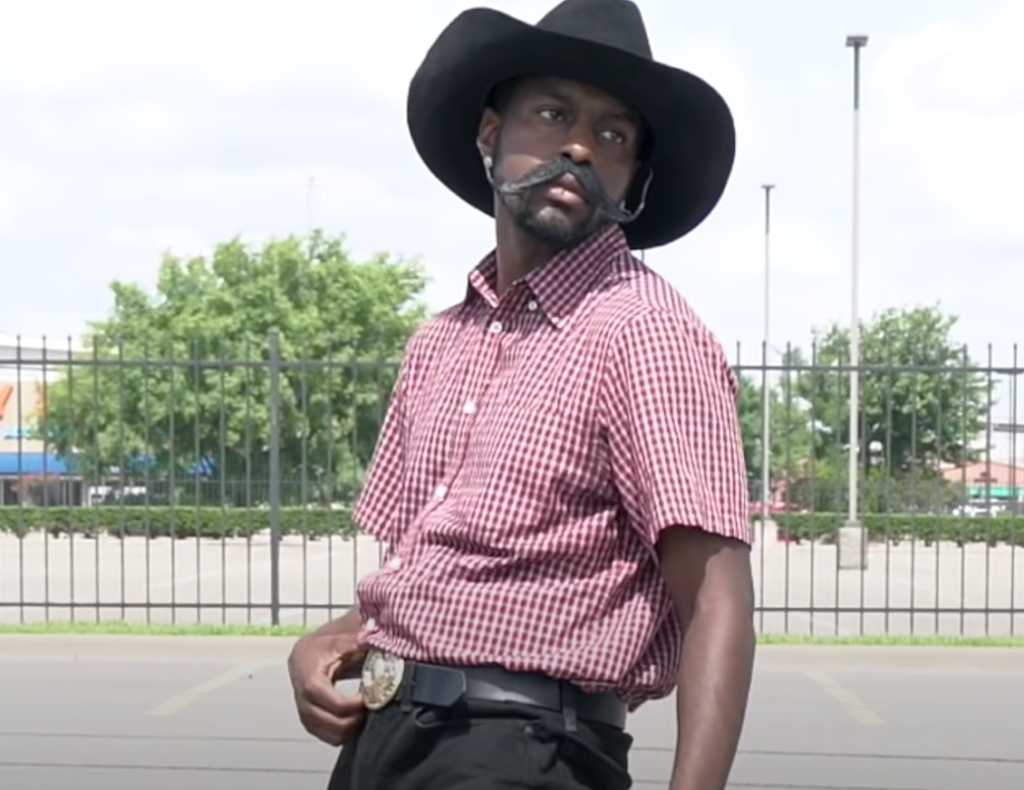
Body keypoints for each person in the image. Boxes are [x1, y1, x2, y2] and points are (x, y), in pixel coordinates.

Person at [287, 0, 756, 788]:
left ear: (632, 179)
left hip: (528, 750)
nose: (579, 144)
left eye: (614, 135)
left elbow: (718, 601)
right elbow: (436, 577)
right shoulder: (441, 342)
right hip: (384, 742)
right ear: (489, 133)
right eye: (552, 113)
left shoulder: (643, 333)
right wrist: (330, 640)